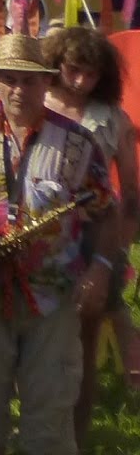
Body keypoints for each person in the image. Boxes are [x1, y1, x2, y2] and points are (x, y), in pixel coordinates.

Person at [0, 33, 115, 455]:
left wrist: (101, 267)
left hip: (52, 297)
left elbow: (106, 212)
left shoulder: (78, 143)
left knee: (49, 412)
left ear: (45, 84)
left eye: (28, 80)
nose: (18, 89)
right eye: (9, 79)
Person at [40, 25, 140, 444]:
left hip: (95, 238)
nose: (81, 81)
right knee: (36, 342)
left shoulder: (113, 118)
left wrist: (117, 245)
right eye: (73, 70)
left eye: (91, 74)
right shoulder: (35, 103)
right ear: (56, 64)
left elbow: (132, 189)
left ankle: (76, 442)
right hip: (38, 237)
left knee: (83, 346)